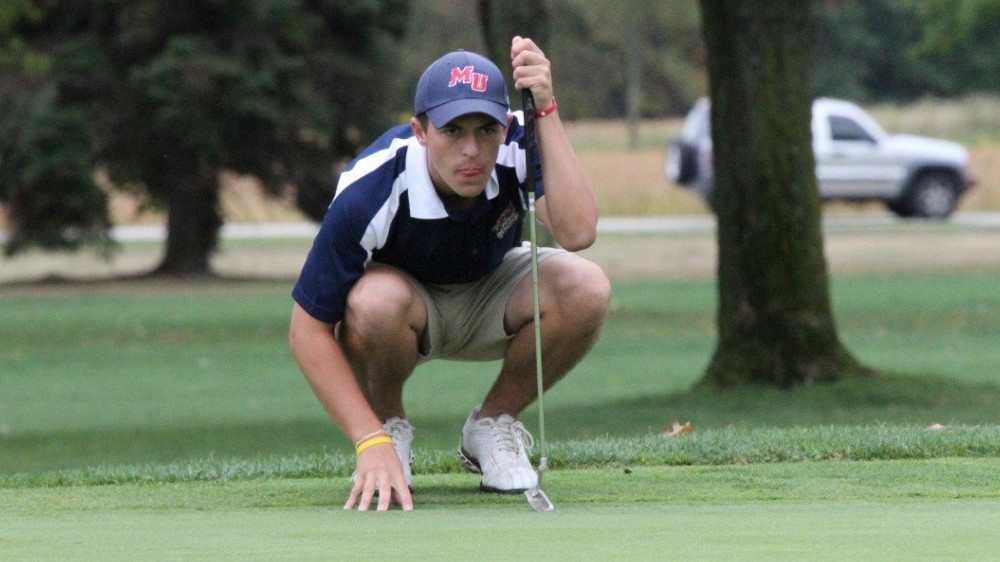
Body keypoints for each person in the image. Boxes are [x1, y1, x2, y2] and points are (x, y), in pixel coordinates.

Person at [288, 36, 610, 512]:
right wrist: (366, 438)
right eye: (453, 130)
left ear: (505, 125)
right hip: (403, 305)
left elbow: (578, 231)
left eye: (486, 129)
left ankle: (492, 425)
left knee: (587, 286)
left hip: (492, 288)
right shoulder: (371, 186)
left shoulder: (520, 141)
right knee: (374, 303)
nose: (472, 150)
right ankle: (388, 430)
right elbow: (307, 331)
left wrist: (546, 108)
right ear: (420, 131)